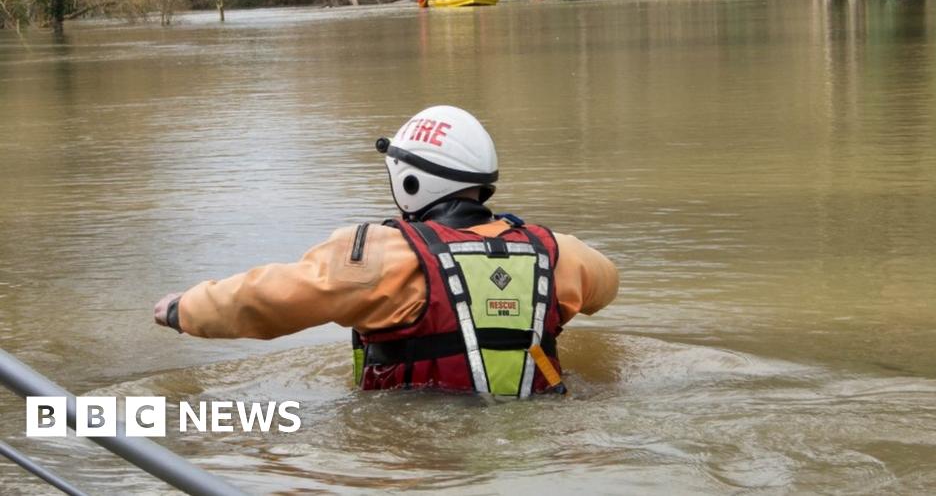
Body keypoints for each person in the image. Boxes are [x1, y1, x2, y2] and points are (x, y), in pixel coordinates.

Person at [153, 105, 618, 397]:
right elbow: (607, 283)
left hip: (415, 448)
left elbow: (266, 298)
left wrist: (184, 308)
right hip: (537, 436)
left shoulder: (379, 257)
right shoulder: (555, 252)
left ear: (410, 182)